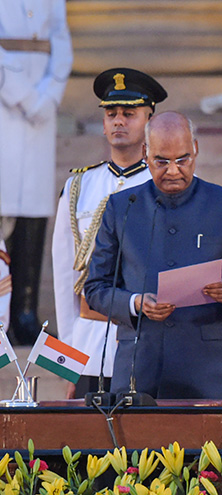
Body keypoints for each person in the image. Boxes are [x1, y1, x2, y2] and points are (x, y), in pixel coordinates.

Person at [84, 111, 222, 400]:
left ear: (197, 150)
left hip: (206, 369)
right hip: (138, 367)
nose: (173, 171)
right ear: (145, 153)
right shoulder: (121, 207)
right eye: (161, 161)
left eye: (183, 159)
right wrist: (135, 302)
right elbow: (95, 289)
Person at [52, 68, 167, 399]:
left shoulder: (165, 184)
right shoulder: (79, 186)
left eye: (129, 114)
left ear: (149, 121)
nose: (119, 121)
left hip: (147, 337)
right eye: (111, 113)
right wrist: (68, 361)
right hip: (90, 342)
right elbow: (65, 276)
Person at [0, 0, 73, 344]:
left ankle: (24, 313)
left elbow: (60, 41)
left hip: (42, 108)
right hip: (6, 101)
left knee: (34, 208)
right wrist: (24, 97)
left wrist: (50, 94)